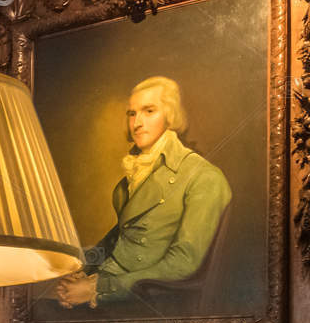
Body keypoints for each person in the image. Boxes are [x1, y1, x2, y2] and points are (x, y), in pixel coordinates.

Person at [54, 75, 231, 309]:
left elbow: (183, 263)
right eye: (132, 113)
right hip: (112, 282)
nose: (137, 123)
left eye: (149, 111)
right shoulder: (137, 170)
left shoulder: (203, 176)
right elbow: (119, 238)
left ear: (170, 114)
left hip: (146, 300)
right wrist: (83, 271)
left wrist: (97, 288)